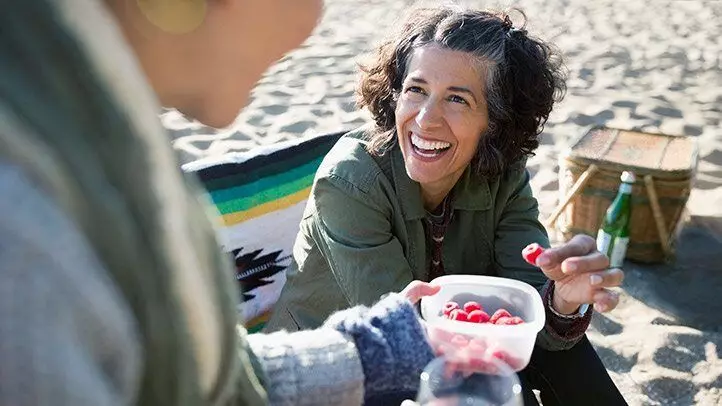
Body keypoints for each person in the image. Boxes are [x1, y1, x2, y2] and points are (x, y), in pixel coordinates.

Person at [0, 1, 451, 405]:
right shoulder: (27, 239)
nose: (310, 26)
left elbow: (191, 380)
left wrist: (370, 353)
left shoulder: (90, 122)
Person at [266, 6, 628, 405]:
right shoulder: (350, 183)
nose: (425, 119)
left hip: (452, 336)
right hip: (342, 360)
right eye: (416, 90)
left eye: (457, 99)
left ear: (496, 121)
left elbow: (527, 313)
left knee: (573, 357)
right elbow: (400, 334)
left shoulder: (503, 174)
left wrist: (561, 301)